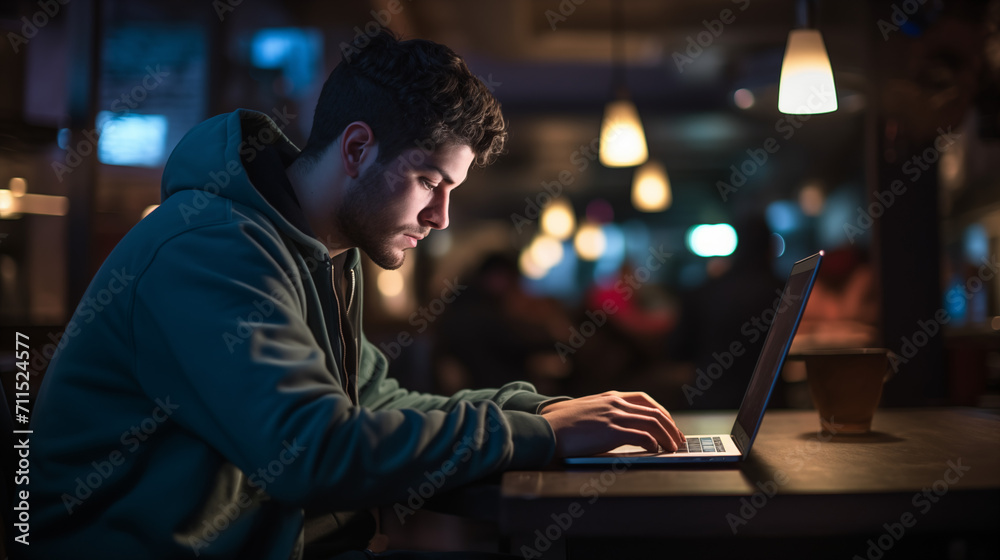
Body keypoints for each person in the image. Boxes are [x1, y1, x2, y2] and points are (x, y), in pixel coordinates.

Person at [23, 31, 683, 560]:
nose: (441, 217)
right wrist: (535, 435)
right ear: (359, 148)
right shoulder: (209, 249)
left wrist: (544, 410)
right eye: (429, 181)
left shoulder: (322, 252)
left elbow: (377, 403)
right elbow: (313, 452)